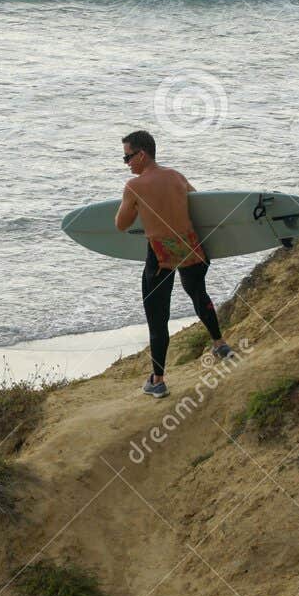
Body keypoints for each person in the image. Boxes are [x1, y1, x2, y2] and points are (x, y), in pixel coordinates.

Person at [115, 129, 233, 399]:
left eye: (127, 157)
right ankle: (220, 345)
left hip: (159, 256)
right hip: (190, 246)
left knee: (158, 317)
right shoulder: (177, 176)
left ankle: (158, 380)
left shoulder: (134, 187)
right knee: (199, 294)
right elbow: (198, 204)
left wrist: (134, 206)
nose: (126, 163)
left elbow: (121, 225)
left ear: (142, 154)